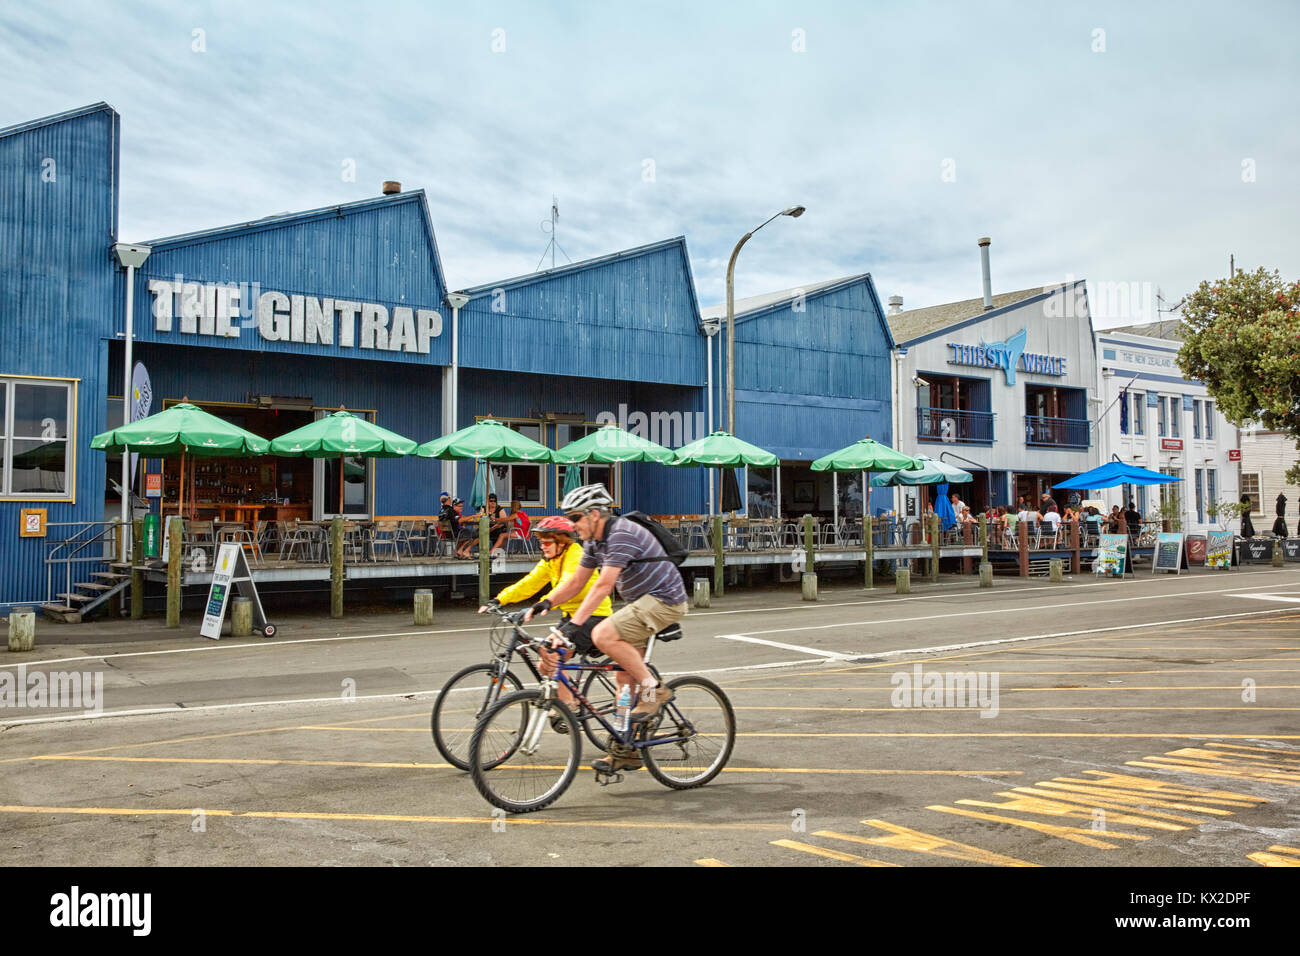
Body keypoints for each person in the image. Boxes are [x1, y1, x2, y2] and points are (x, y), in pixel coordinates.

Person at [526, 483, 688, 775]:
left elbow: (604, 585)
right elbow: (576, 583)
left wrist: (573, 626)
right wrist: (545, 604)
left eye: (575, 518)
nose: (571, 525)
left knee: (601, 635)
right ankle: (625, 749)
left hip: (665, 601)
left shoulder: (621, 533)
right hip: (639, 605)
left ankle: (655, 691)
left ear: (595, 515)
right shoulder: (593, 544)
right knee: (624, 683)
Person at [479, 515, 611, 720]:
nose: (543, 546)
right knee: (545, 663)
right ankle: (570, 698)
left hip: (593, 616)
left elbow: (568, 584)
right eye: (540, 542)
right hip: (570, 617)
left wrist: (544, 603)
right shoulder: (552, 560)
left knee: (551, 655)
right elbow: (529, 582)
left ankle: (568, 707)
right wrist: (499, 600)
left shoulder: (575, 554)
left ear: (562, 541)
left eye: (547, 541)